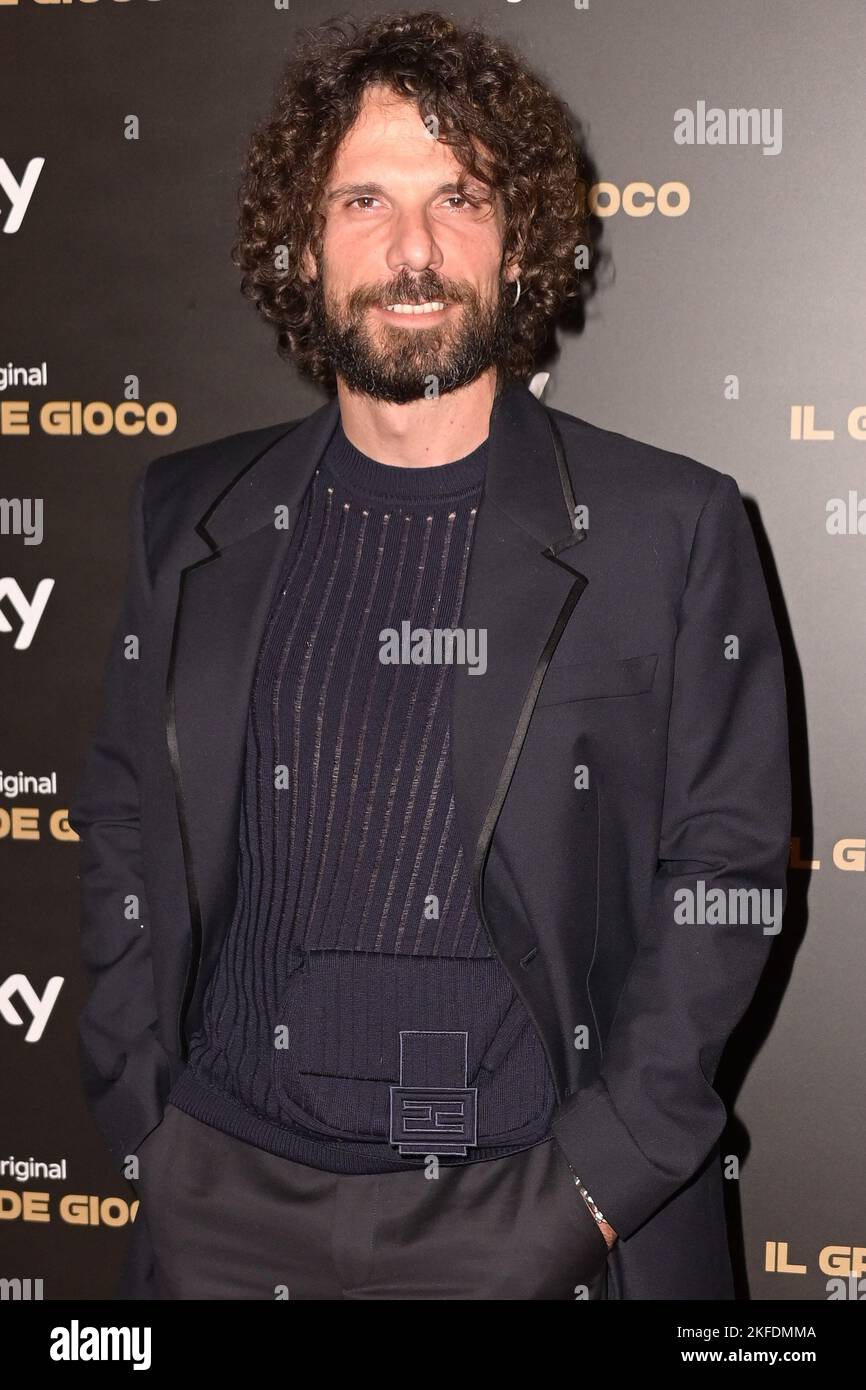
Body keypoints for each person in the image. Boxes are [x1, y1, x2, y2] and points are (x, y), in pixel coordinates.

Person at [68, 10, 791, 1301]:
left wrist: (599, 1177)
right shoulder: (190, 513)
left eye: (459, 196)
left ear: (519, 245)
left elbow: (724, 869)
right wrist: (147, 1120)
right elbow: (124, 808)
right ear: (302, 243)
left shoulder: (665, 524)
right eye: (362, 199)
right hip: (222, 1202)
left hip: (531, 1206)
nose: (413, 250)